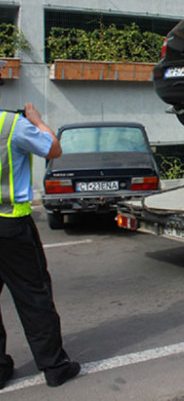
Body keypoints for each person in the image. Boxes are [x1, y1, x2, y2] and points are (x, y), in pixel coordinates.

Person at [0, 77, 80, 389]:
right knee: (34, 296)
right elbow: (53, 149)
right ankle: (54, 366)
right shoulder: (11, 124)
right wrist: (37, 120)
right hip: (10, 225)